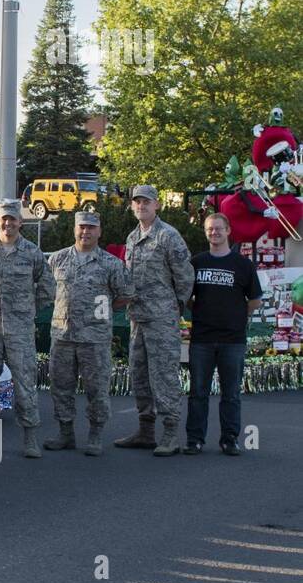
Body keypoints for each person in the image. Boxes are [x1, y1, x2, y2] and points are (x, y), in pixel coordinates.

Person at [114, 185, 195, 457]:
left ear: (157, 205)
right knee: (139, 376)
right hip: (137, 319)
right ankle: (146, 431)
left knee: (164, 376)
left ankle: (171, 433)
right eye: (137, 202)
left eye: (146, 202)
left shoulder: (168, 236)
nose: (141, 206)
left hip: (161, 320)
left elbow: (185, 276)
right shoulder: (132, 236)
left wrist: (176, 307)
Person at [44, 212, 134, 455]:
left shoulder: (111, 263)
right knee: (61, 387)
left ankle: (95, 435)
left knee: (96, 389)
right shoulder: (57, 259)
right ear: (75, 229)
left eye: (91, 228)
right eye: (82, 227)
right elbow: (46, 289)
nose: (86, 232)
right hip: (62, 336)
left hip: (94, 339)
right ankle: (65, 433)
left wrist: (98, 311)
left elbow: (124, 295)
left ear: (99, 231)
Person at [0, 199, 52, 459]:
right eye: (3, 219)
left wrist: (29, 309)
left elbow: (47, 287)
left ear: (21, 222)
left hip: (20, 332)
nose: (8, 223)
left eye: (13, 219)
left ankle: (30, 438)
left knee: (25, 385)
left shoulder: (32, 252)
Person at [185, 211, 262, 456]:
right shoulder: (196, 263)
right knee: (198, 393)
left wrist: (237, 317)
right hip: (202, 339)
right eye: (210, 229)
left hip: (233, 340)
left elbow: (255, 300)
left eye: (219, 228)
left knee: (231, 394)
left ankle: (230, 439)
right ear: (206, 232)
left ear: (228, 231)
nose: (214, 233)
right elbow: (187, 297)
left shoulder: (242, 264)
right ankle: (195, 440)